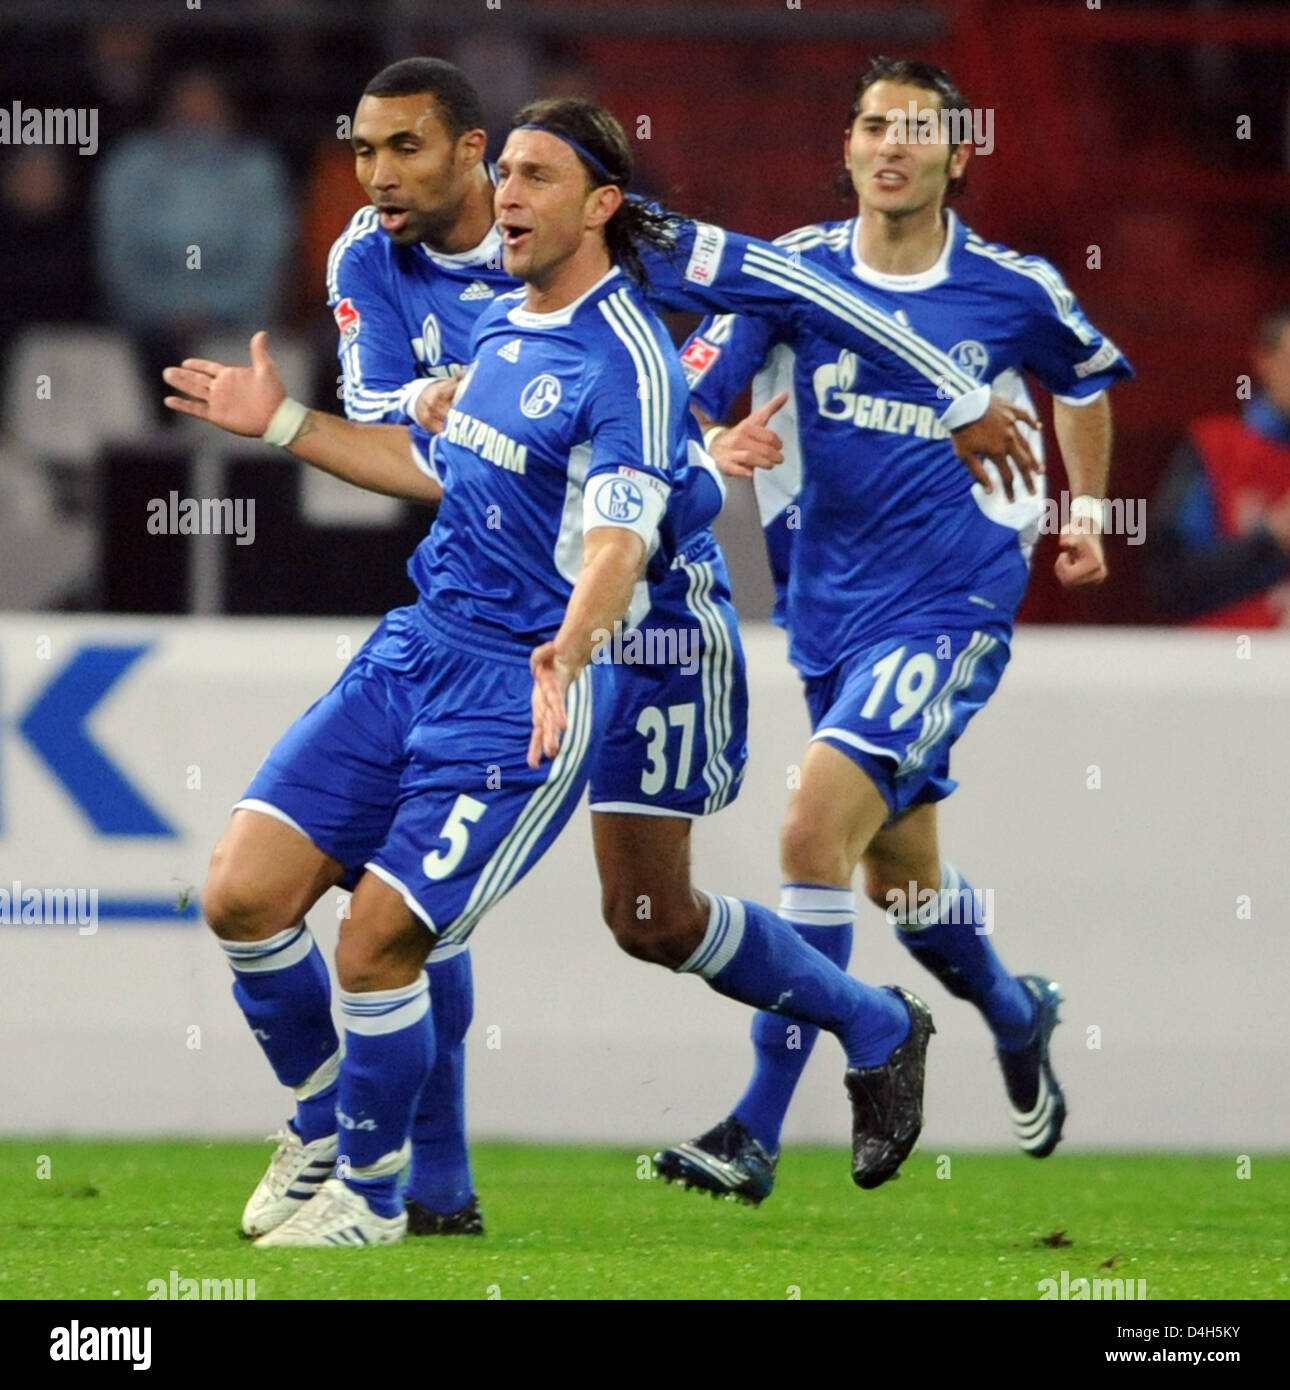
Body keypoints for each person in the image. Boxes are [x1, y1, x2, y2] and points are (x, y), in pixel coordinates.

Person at [161, 97, 1018, 1247]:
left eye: (409, 150)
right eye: (363, 152)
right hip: (473, 629)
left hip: (646, 634)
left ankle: (870, 1022)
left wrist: (955, 394)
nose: (381, 176)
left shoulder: (653, 286)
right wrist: (297, 421)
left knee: (647, 915)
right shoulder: (445, 293)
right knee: (385, 913)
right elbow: (431, 444)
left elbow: (655, 485)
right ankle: (425, 1186)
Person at [656, 57, 1133, 1203]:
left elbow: (1083, 380)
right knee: (899, 882)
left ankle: (758, 1130)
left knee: (811, 831)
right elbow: (684, 387)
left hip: (952, 606)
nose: (892, 145)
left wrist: (1089, 516)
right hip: (828, 614)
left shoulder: (1012, 288)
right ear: (849, 145)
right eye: (874, 124)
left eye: (919, 129)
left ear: (960, 155)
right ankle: (1019, 1015)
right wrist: (716, 446)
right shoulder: (792, 275)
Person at [1146, 303, 1290, 626]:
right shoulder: (1213, 448)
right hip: (1227, 669)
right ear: (1265, 361)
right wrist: (1272, 542)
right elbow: (1170, 584)